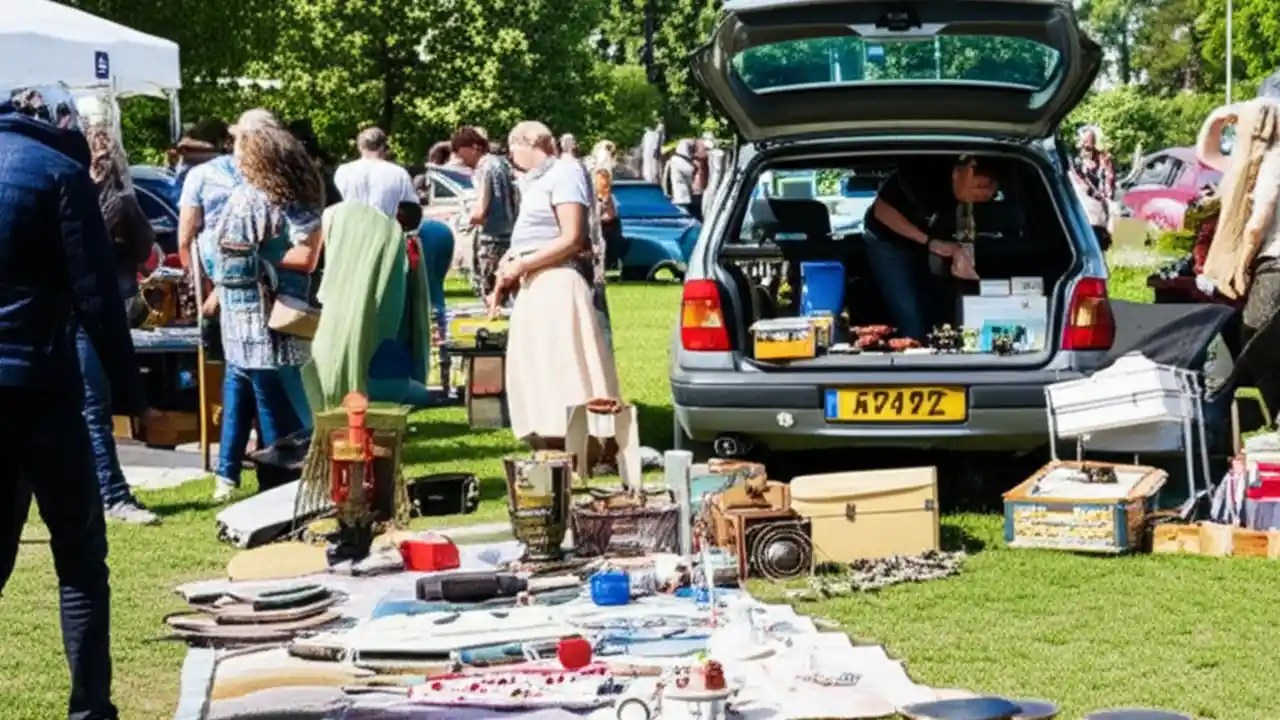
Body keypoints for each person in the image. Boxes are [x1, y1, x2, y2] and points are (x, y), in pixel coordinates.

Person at [1, 95, 143, 720]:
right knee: (81, 560)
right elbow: (98, 298)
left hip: (29, 380)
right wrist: (129, 391)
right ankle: (90, 710)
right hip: (43, 389)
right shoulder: (61, 174)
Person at [211, 110, 324, 502]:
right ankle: (235, 477)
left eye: (240, 145)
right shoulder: (266, 191)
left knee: (276, 405)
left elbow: (306, 253)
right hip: (250, 316)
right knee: (251, 392)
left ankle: (281, 488)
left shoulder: (275, 195)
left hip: (268, 317)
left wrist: (264, 262)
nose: (235, 154)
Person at [491, 121, 621, 449]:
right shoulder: (538, 181)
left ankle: (581, 442)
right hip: (536, 283)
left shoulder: (566, 173)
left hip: (558, 283)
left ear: (529, 142)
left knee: (565, 366)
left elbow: (572, 237)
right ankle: (550, 439)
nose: (511, 157)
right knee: (539, 368)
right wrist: (511, 264)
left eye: (513, 148)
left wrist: (523, 263)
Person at [82, 125, 160, 525]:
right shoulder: (102, 200)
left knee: (89, 407)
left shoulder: (80, 192)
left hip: (90, 309)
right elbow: (144, 247)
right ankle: (111, 495)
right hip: (92, 311)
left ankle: (103, 493)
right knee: (93, 407)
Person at [1196, 93, 1280, 415]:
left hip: (1274, 265)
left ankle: (1272, 413)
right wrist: (1219, 116)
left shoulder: (1272, 158)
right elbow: (1207, 153)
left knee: (1256, 335)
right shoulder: (1253, 162)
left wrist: (1242, 265)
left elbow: (1258, 221)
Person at [861, 156, 995, 341]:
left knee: (934, 311)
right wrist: (930, 242)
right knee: (910, 313)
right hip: (887, 239)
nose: (984, 194)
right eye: (979, 187)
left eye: (991, 190)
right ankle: (913, 351)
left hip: (929, 243)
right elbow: (882, 211)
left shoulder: (970, 207)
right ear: (965, 169)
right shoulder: (923, 175)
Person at [452, 126, 519, 299]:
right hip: (512, 235)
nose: (460, 159)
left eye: (461, 153)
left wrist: (464, 222)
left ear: (475, 147)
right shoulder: (503, 163)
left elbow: (480, 210)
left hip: (491, 239)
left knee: (491, 294)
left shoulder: (484, 168)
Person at [332, 127, 417, 220]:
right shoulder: (399, 173)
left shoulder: (342, 172)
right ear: (382, 147)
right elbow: (411, 210)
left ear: (360, 147)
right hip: (387, 232)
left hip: (351, 232)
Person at [590, 140, 629, 271]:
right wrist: (605, 203)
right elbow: (603, 190)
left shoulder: (593, 168)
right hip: (604, 210)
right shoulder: (603, 172)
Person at [1072, 125, 1115, 227]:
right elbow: (1077, 181)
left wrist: (1106, 193)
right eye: (1084, 141)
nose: (1085, 144)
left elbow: (1109, 177)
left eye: (1089, 141)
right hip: (1086, 203)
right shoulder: (1076, 161)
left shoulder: (1102, 158)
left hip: (1102, 201)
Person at [664, 139, 697, 217]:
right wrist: (695, 164)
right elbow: (690, 170)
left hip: (679, 192)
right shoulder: (678, 160)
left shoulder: (675, 159)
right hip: (681, 194)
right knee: (684, 213)